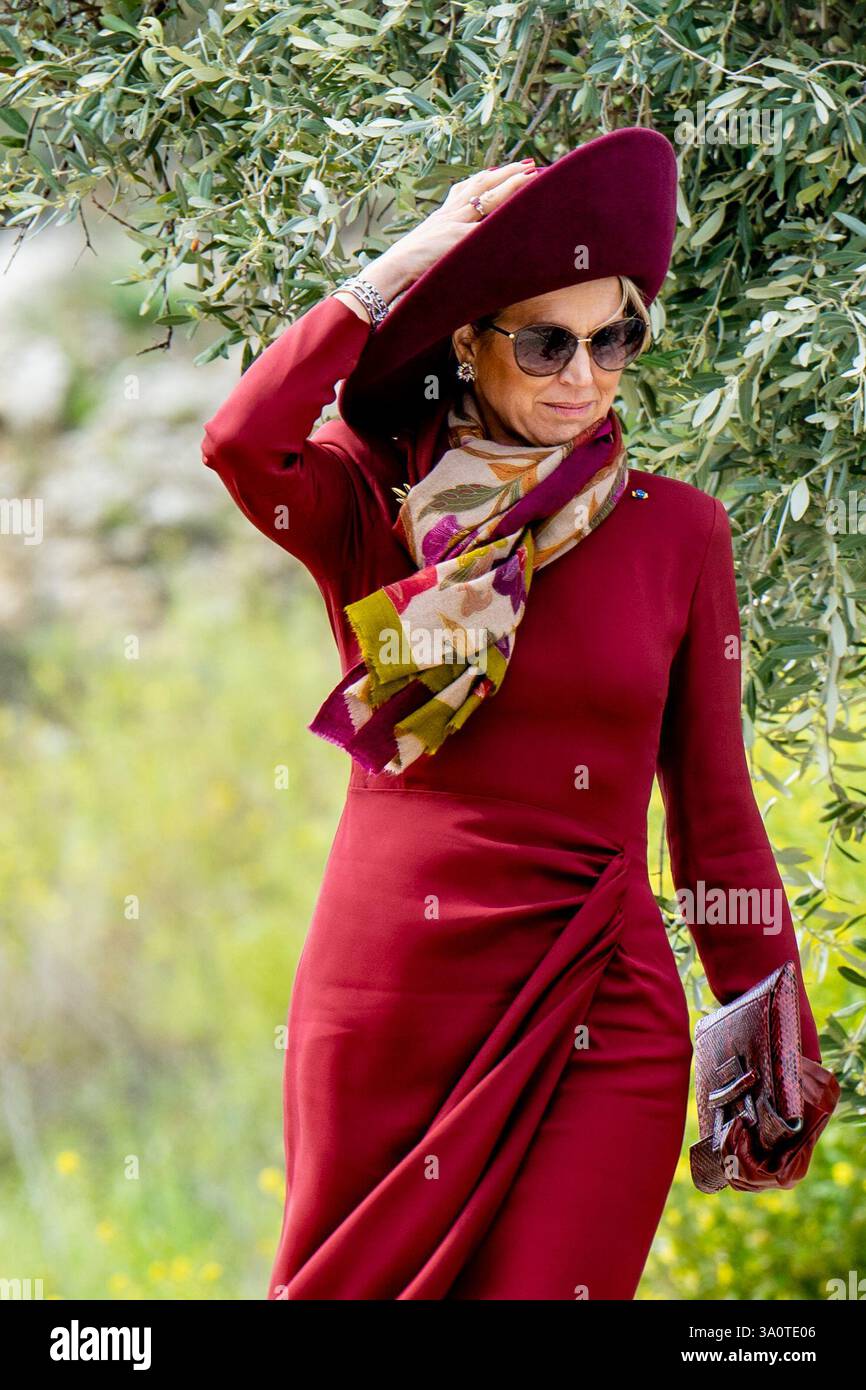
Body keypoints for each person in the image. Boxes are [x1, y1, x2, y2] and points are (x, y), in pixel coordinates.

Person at [200, 127, 823, 1300]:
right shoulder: (368, 502)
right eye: (544, 340)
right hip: (392, 997)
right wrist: (411, 261)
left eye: (613, 338)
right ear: (469, 343)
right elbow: (239, 440)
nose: (581, 375)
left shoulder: (675, 528)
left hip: (605, 997)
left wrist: (768, 1036)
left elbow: (713, 811)